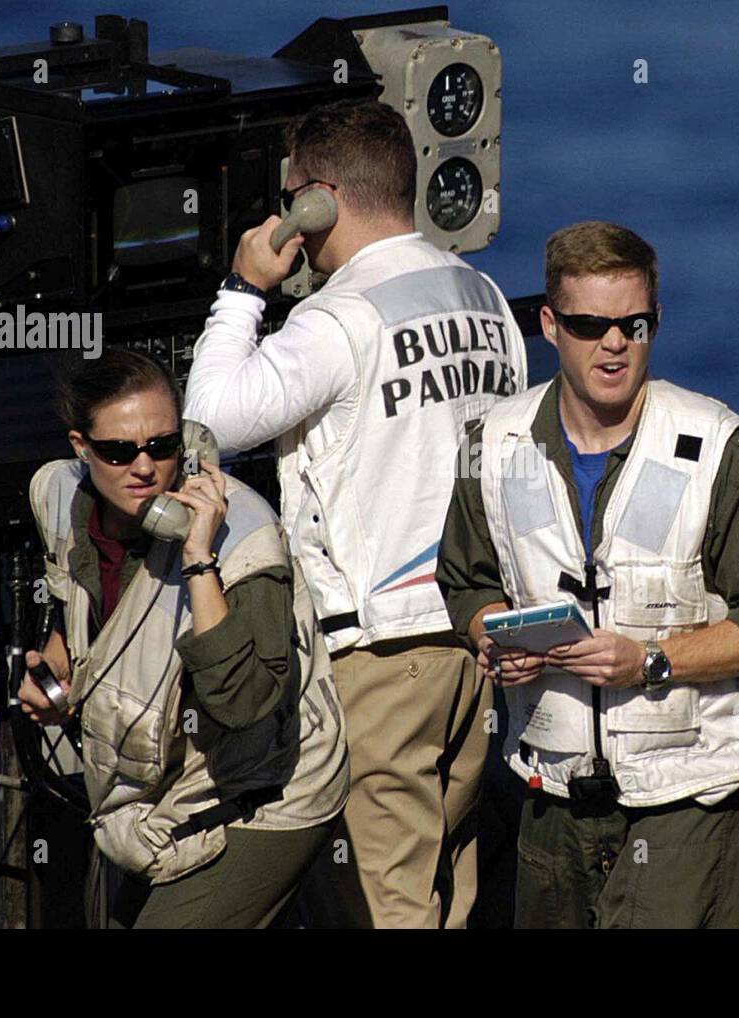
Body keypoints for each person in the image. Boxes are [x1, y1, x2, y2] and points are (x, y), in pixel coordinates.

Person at [183, 99, 527, 928]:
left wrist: (242, 289)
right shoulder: (483, 296)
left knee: (382, 906)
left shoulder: (339, 318)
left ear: (319, 202)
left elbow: (211, 419)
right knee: (451, 889)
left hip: (383, 654)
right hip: (479, 643)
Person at [436, 221, 739, 929]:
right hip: (552, 795)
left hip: (687, 799)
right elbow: (465, 578)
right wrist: (491, 634)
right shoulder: (493, 444)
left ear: (655, 320)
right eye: (590, 325)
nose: (614, 343)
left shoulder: (722, 448)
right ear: (550, 324)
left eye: (633, 324)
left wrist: (650, 662)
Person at [20, 348, 348, 929]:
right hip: (159, 796)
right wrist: (58, 653)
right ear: (81, 448)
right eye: (120, 452)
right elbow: (70, 588)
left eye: (162, 446)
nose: (144, 467)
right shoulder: (57, 497)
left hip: (263, 793)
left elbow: (244, 703)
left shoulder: (244, 537)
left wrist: (199, 558)